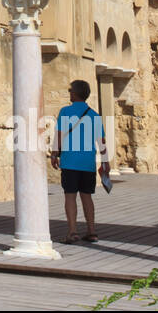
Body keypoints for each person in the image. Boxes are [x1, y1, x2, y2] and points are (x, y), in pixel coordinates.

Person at [50, 80, 109, 243]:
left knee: (70, 196)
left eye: (70, 91)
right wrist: (105, 162)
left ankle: (73, 231)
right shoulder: (94, 115)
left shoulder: (65, 112)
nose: (69, 93)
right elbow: (101, 141)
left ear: (75, 93)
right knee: (87, 196)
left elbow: (59, 134)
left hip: (70, 161)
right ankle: (91, 231)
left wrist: (54, 154)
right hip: (87, 162)